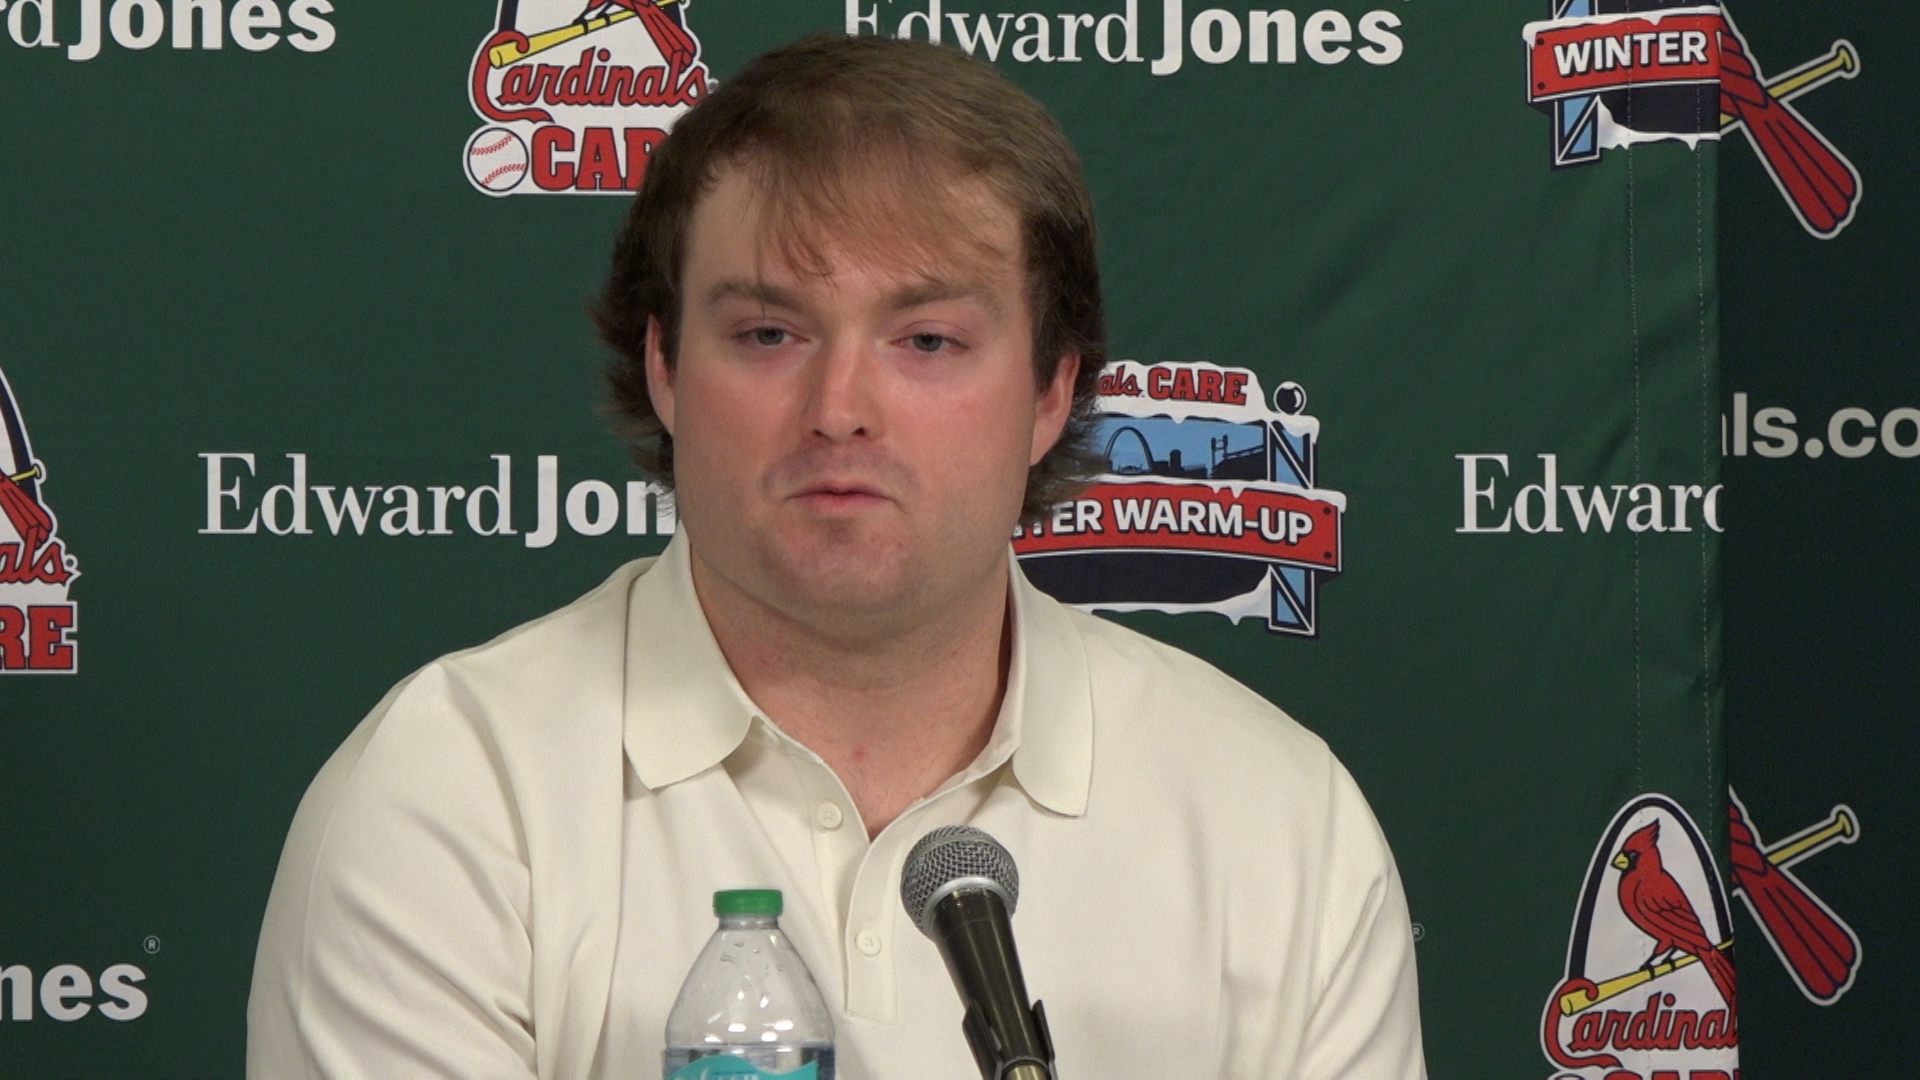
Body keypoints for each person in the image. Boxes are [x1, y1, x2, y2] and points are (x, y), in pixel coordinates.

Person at [247, 34, 1426, 1080]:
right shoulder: (454, 791)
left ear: (1050, 392)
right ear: (665, 371)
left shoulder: (1279, 820)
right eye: (768, 333)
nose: (841, 408)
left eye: (928, 339)